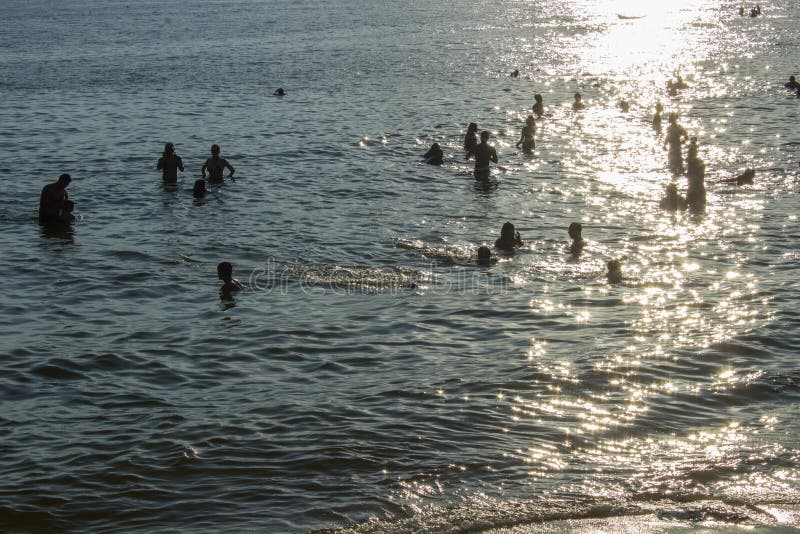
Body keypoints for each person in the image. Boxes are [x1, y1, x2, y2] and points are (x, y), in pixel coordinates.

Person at [686, 145, 706, 210]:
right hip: (693, 189)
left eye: (690, 154)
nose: (688, 155)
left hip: (697, 189)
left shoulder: (698, 162)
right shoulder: (690, 163)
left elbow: (698, 175)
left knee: (697, 208)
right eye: (689, 153)